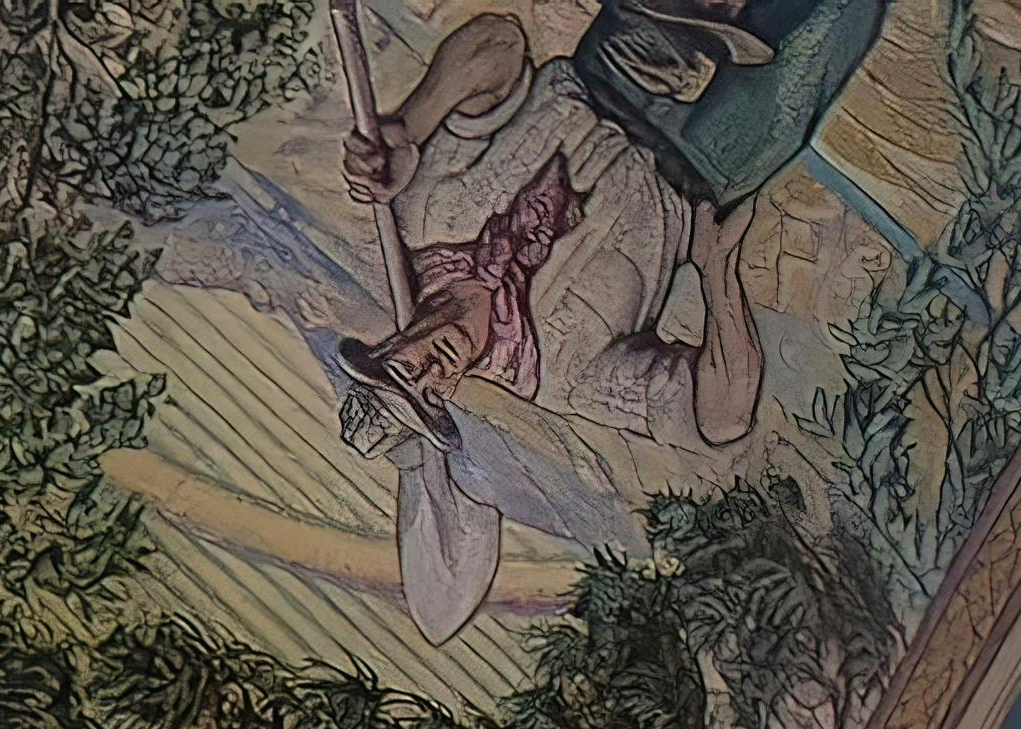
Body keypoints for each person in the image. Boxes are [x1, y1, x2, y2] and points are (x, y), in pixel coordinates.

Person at [325, 0, 887, 462]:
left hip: (617, 67)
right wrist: (717, 275)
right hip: (707, 159)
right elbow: (725, 415)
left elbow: (499, 44)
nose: (433, 373)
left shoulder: (423, 216)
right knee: (843, 14)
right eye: (429, 397)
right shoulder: (565, 376)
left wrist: (411, 127)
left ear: (388, 344)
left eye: (406, 371)